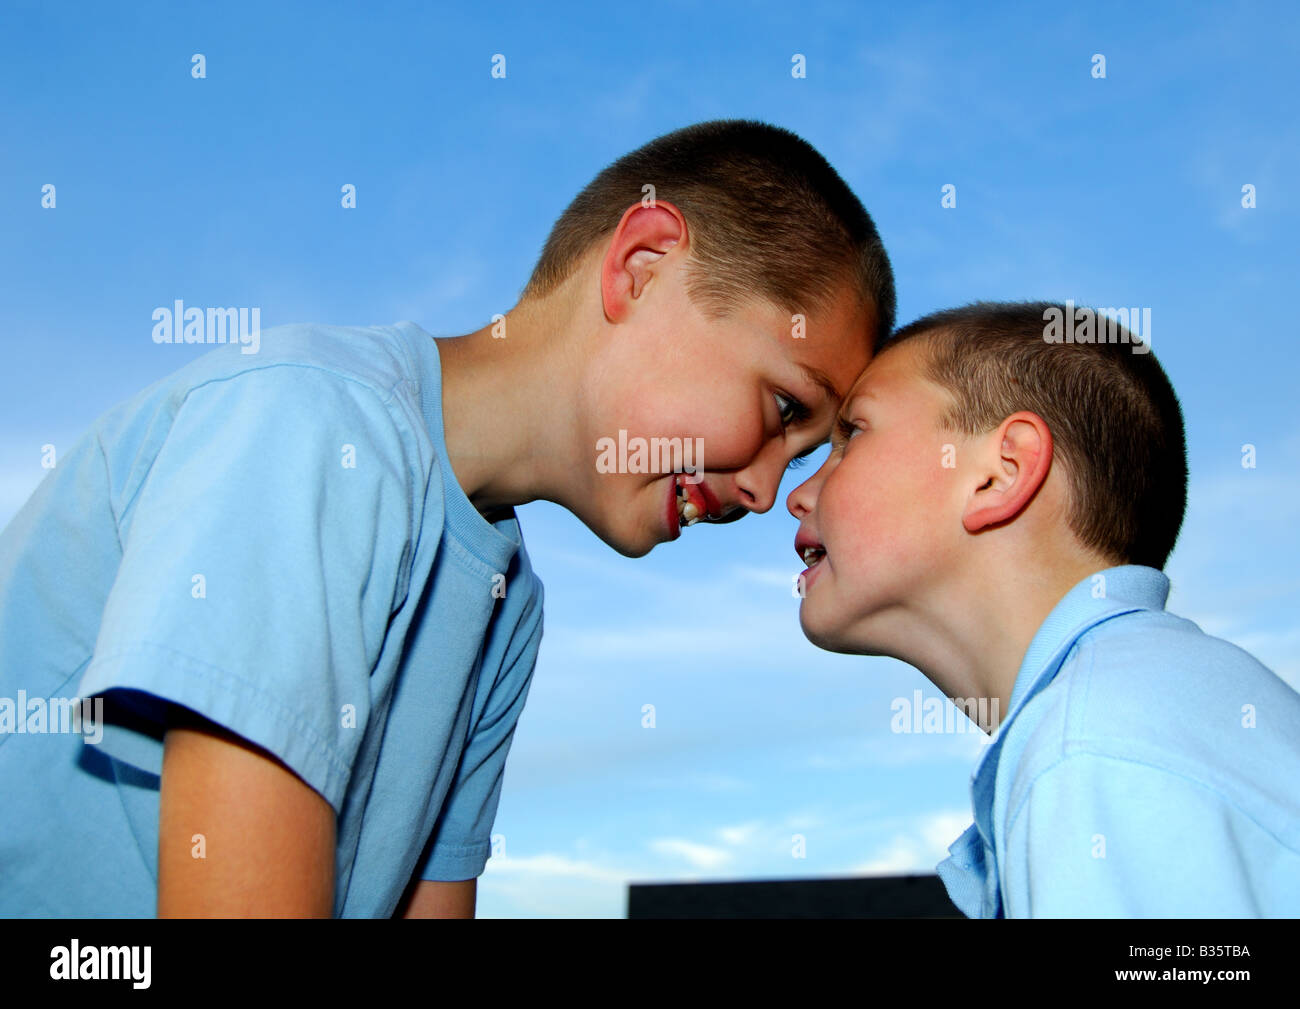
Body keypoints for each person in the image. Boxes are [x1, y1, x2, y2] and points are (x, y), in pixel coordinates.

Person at [0, 119, 896, 917]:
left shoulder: (510, 603)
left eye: (805, 452)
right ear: (644, 265)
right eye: (783, 408)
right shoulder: (309, 425)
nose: (767, 492)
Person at [787, 301, 1300, 917]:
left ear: (1000, 474)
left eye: (853, 435)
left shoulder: (1094, 749)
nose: (798, 494)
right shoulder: (1158, 704)